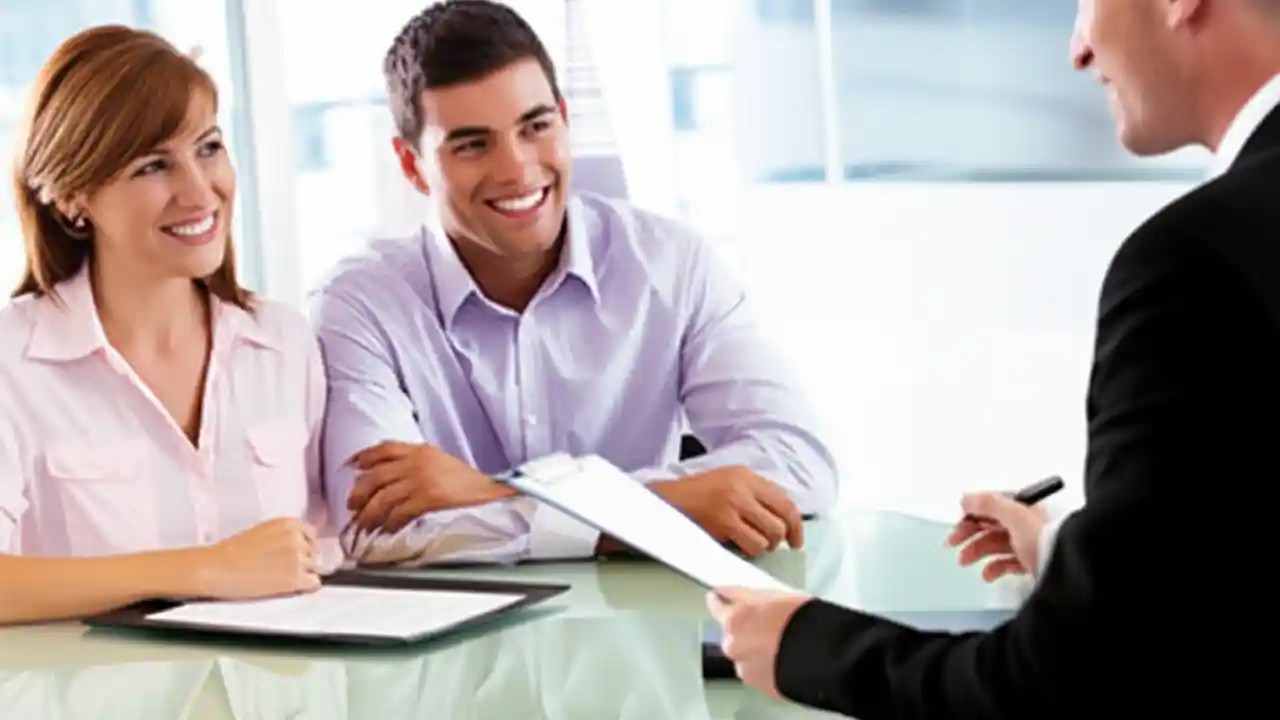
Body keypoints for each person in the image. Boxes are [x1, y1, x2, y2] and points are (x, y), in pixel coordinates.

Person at [706, 0, 1280, 716]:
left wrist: (810, 649)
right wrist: (1085, 555)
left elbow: (1072, 680)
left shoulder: (1194, 260)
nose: (1078, 48)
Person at [311, 0, 837, 566]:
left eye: (535, 127)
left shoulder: (670, 265)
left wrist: (493, 490)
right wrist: (657, 511)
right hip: (462, 652)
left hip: (643, 638)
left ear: (564, 118)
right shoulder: (360, 304)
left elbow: (798, 463)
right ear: (412, 166)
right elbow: (378, 532)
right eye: (472, 144)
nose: (517, 169)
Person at [0, 25, 331, 626]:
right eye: (153, 165)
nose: (199, 190)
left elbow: (327, 555)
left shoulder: (282, 342)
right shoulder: (12, 363)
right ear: (73, 197)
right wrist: (203, 569)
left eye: (208, 147)